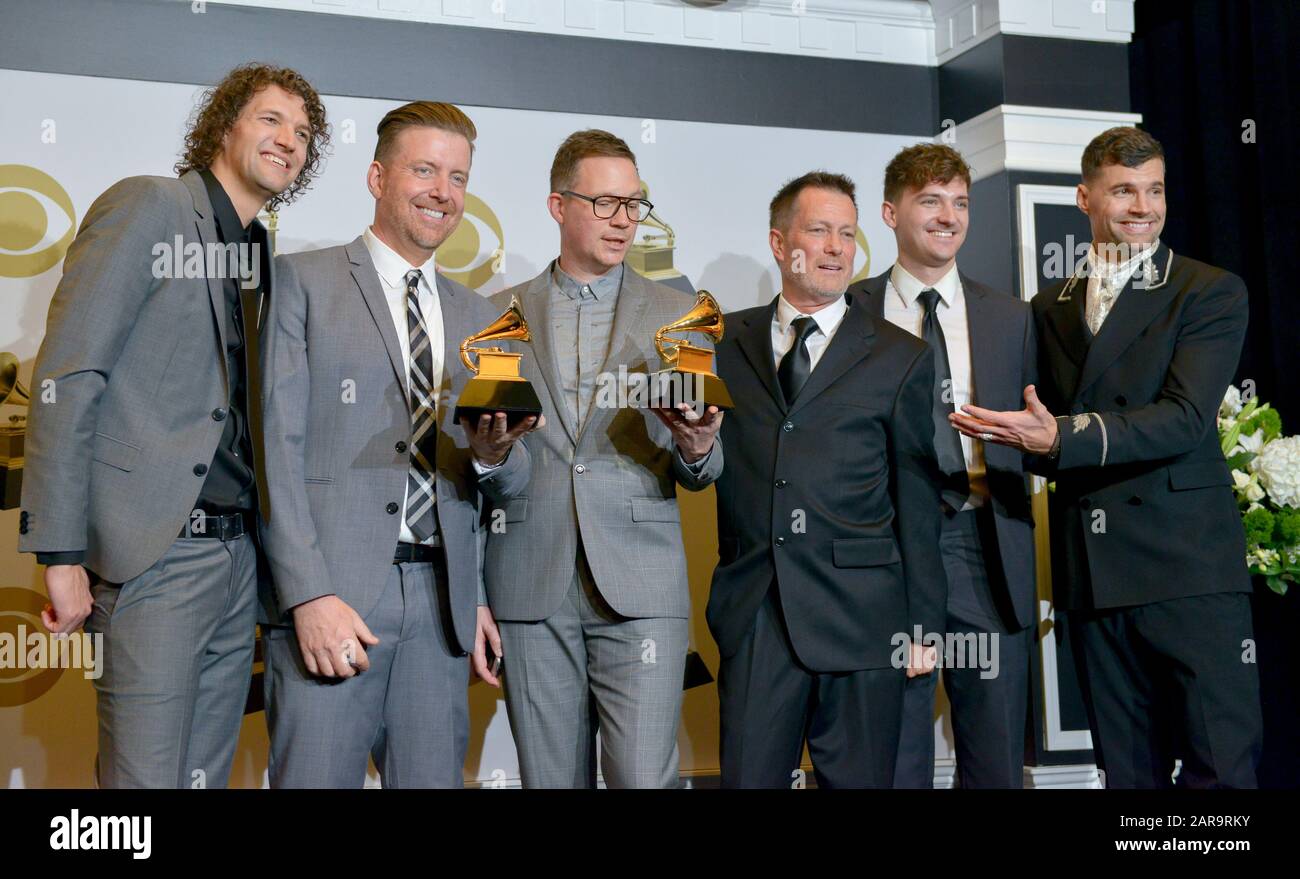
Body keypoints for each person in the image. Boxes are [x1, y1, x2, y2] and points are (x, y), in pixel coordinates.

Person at [18, 64, 329, 788]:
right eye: (271, 119)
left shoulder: (259, 254)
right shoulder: (150, 208)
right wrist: (60, 553)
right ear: (224, 125)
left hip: (238, 563)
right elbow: (70, 376)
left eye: (305, 133)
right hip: (155, 561)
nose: (289, 140)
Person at [952, 126, 1261, 788]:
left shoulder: (1209, 291)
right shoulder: (1049, 306)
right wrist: (1007, 442)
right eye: (1124, 191)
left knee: (1222, 765)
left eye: (1155, 190)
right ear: (1085, 198)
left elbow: (1183, 418)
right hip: (1092, 576)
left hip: (1189, 572)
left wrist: (1060, 438)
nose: (1143, 207)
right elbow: (1043, 434)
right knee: (1126, 772)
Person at [258, 101, 536, 788]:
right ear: (377, 176)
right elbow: (274, 451)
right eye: (424, 170)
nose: (444, 191)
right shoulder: (302, 283)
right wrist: (307, 594)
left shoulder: (484, 315)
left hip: (441, 606)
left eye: (458, 177)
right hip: (334, 600)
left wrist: (495, 454)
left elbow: (510, 477)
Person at [483, 129, 723, 788]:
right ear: (559, 206)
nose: (625, 221)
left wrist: (699, 442)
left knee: (644, 779)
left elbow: (704, 466)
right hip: (532, 586)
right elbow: (488, 470)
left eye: (635, 204)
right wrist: (491, 453)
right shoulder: (495, 316)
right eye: (607, 203)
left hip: (642, 589)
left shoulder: (684, 315)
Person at [709, 171, 946, 788]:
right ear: (779, 241)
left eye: (847, 233)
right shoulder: (719, 343)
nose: (837, 247)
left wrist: (923, 625)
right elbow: (695, 456)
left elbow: (917, 500)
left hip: (865, 620)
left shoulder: (901, 356)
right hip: (757, 612)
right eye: (818, 231)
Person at [848, 144, 1037, 788]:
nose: (948, 216)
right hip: (884, 555)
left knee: (995, 761)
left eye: (960, 203)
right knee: (892, 757)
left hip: (984, 547)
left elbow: (1043, 427)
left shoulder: (1012, 317)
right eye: (930, 200)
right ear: (889, 212)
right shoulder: (848, 312)